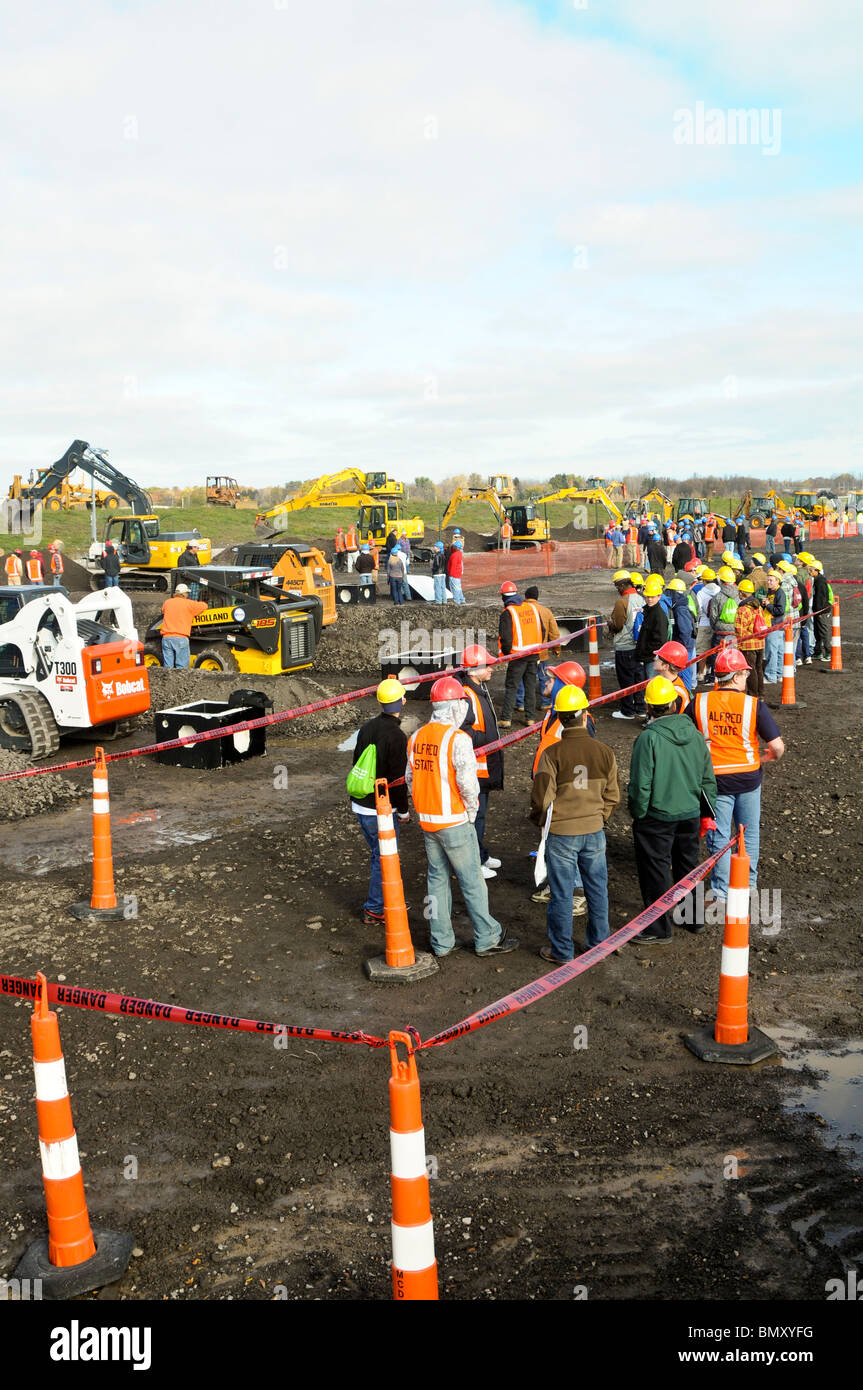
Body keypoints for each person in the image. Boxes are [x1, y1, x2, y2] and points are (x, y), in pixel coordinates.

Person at [406, 677, 517, 958]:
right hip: (454, 821)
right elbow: (469, 785)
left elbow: (410, 779)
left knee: (437, 880)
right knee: (472, 881)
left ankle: (441, 941)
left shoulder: (416, 737)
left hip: (428, 821)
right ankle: (488, 937)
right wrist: (470, 812)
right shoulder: (458, 740)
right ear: (456, 706)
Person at [529, 685, 620, 962]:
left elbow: (542, 797)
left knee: (562, 895)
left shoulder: (552, 754)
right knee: (596, 890)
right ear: (584, 716)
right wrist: (598, 817)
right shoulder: (604, 752)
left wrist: (541, 821)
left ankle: (562, 951)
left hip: (562, 834)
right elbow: (613, 795)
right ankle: (599, 944)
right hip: (593, 831)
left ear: (559, 717)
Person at [690, 646, 784, 905]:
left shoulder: (699, 702)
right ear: (737, 675)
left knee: (719, 836)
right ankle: (747, 886)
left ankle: (720, 892)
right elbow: (777, 746)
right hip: (749, 777)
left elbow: (686, 736)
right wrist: (766, 757)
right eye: (744, 673)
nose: (746, 678)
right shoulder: (754, 706)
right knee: (749, 833)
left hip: (715, 780)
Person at [628, 676, 718, 944]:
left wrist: (638, 813)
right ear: (675, 703)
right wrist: (705, 811)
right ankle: (692, 919)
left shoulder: (648, 739)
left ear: (649, 708)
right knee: (687, 867)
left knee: (655, 870)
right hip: (689, 813)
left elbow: (640, 784)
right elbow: (707, 778)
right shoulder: (694, 733)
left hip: (657, 817)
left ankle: (658, 929)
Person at [350, 678, 410, 926]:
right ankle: (375, 908)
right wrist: (404, 811)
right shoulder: (396, 735)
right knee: (383, 856)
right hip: (380, 809)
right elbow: (397, 780)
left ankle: (385, 902)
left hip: (360, 803)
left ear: (379, 702)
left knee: (380, 855)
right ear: (402, 701)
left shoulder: (367, 728)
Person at [460, 645, 503, 878]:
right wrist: (488, 741)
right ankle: (473, 864)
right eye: (487, 665)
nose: (492, 668)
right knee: (475, 816)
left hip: (482, 765)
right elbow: (463, 731)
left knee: (481, 814)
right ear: (475, 670)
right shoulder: (468, 694)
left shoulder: (478, 689)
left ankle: (480, 855)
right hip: (477, 767)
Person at [497, 582, 545, 727]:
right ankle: (530, 719)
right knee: (530, 686)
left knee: (512, 687)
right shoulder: (532, 608)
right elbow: (541, 630)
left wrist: (507, 654)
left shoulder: (508, 612)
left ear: (503, 597)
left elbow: (505, 639)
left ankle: (506, 719)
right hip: (533, 654)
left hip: (517, 656)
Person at [607, 569, 646, 721]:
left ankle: (628, 711)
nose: (617, 590)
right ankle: (641, 708)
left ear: (622, 585)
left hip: (625, 646)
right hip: (638, 645)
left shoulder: (622, 602)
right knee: (639, 678)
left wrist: (611, 625)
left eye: (617, 586)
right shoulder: (641, 599)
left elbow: (617, 625)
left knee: (626, 680)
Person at [524, 585, 560, 711]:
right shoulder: (546, 611)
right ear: (537, 597)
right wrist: (557, 648)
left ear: (526, 597)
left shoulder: (520, 611)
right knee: (544, 677)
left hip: (524, 653)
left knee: (523, 678)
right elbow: (554, 633)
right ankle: (545, 702)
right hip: (542, 653)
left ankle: (521, 703)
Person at [159, 583, 208, 668]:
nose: (188, 595)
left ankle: (168, 681)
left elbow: (163, 610)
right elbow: (204, 606)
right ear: (184, 594)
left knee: (168, 667)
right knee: (182, 668)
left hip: (166, 638)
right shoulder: (189, 604)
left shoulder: (167, 602)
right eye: (187, 593)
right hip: (180, 638)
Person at [734, 578, 769, 696]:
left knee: (751, 670)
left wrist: (739, 645)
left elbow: (739, 630)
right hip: (760, 642)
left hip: (748, 645)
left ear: (741, 593)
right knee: (759, 669)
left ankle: (753, 695)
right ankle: (761, 693)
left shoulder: (742, 609)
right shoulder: (758, 606)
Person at [634, 574, 670, 679]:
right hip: (648, 657)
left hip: (652, 659)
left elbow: (661, 640)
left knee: (653, 684)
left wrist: (648, 653)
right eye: (647, 597)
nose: (649, 599)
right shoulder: (649, 611)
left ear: (659, 597)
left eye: (652, 597)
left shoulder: (658, 615)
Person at [665, 578, 696, 691]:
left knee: (684, 674)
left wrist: (681, 646)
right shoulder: (681, 605)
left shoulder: (680, 608)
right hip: (685, 645)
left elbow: (685, 630)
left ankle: (686, 697)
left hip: (684, 646)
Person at [652, 640, 692, 710]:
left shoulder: (674, 693)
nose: (654, 658)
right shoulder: (672, 684)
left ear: (666, 666)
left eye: (658, 657)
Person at [762, 570, 787, 684]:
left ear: (777, 581)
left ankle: (770, 676)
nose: (768, 582)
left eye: (771, 580)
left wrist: (768, 605)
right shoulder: (771, 592)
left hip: (775, 626)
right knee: (778, 651)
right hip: (775, 625)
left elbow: (780, 610)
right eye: (768, 579)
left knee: (772, 651)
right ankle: (778, 674)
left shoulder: (779, 593)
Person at [709, 566, 739, 649]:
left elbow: (713, 616)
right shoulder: (740, 595)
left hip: (720, 632)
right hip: (735, 631)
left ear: (721, 581)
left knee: (718, 657)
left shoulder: (718, 596)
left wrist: (716, 627)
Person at [810, 559, 833, 661]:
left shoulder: (821, 581)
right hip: (818, 610)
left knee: (823, 632)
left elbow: (821, 598)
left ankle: (828, 653)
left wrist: (819, 611)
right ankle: (818, 651)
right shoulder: (817, 579)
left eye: (811, 570)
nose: (809, 571)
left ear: (816, 570)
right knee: (817, 632)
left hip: (821, 611)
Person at [446, 537, 466, 605]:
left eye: (454, 546)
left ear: (456, 547)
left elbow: (453, 566)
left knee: (455, 588)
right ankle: (461, 599)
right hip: (457, 574)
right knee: (458, 587)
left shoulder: (454, 555)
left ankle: (456, 601)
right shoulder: (459, 553)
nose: (453, 547)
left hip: (454, 574)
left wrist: (451, 574)